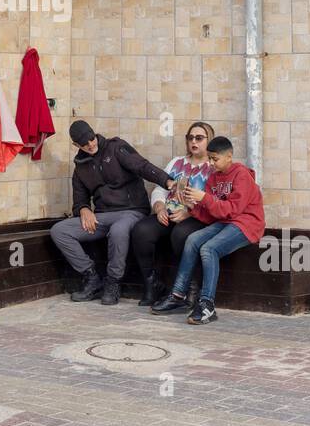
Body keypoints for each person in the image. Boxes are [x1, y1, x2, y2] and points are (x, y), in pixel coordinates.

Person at [52, 120, 174, 306]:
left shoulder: (116, 147)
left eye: (92, 138)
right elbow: (79, 200)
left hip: (132, 211)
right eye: (84, 143)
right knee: (59, 231)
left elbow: (142, 166)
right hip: (102, 216)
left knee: (118, 230)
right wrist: (83, 209)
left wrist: (167, 181)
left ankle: (113, 282)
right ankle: (92, 278)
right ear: (76, 145)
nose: (90, 144)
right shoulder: (80, 167)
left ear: (94, 133)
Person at [151, 135, 265, 325]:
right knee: (192, 240)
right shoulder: (213, 177)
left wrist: (204, 198)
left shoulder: (241, 175)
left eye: (215, 159)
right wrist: (192, 206)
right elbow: (212, 214)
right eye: (210, 158)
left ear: (229, 156)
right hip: (225, 222)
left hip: (246, 224)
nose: (211, 163)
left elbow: (232, 209)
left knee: (209, 248)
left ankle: (207, 304)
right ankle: (178, 296)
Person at [129, 122, 216, 306]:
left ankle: (191, 289)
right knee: (141, 230)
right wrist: (159, 207)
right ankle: (152, 284)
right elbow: (160, 189)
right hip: (168, 213)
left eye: (199, 138)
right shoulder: (176, 162)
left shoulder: (213, 168)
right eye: (190, 138)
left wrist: (189, 213)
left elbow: (213, 201)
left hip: (196, 217)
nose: (194, 142)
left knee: (181, 234)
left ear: (209, 140)